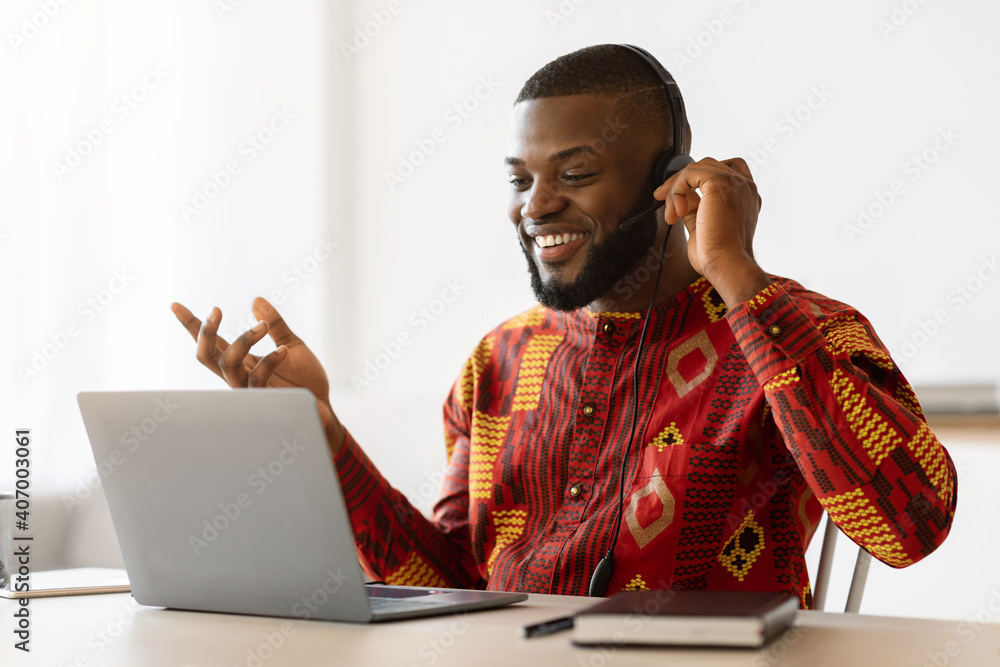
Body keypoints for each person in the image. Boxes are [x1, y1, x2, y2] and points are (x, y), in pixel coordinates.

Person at [171, 45, 956, 605]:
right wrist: (324, 439)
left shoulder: (794, 332)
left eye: (574, 174)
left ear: (669, 182)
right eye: (521, 179)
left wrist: (736, 273)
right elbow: (455, 591)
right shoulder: (500, 360)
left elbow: (910, 526)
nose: (535, 204)